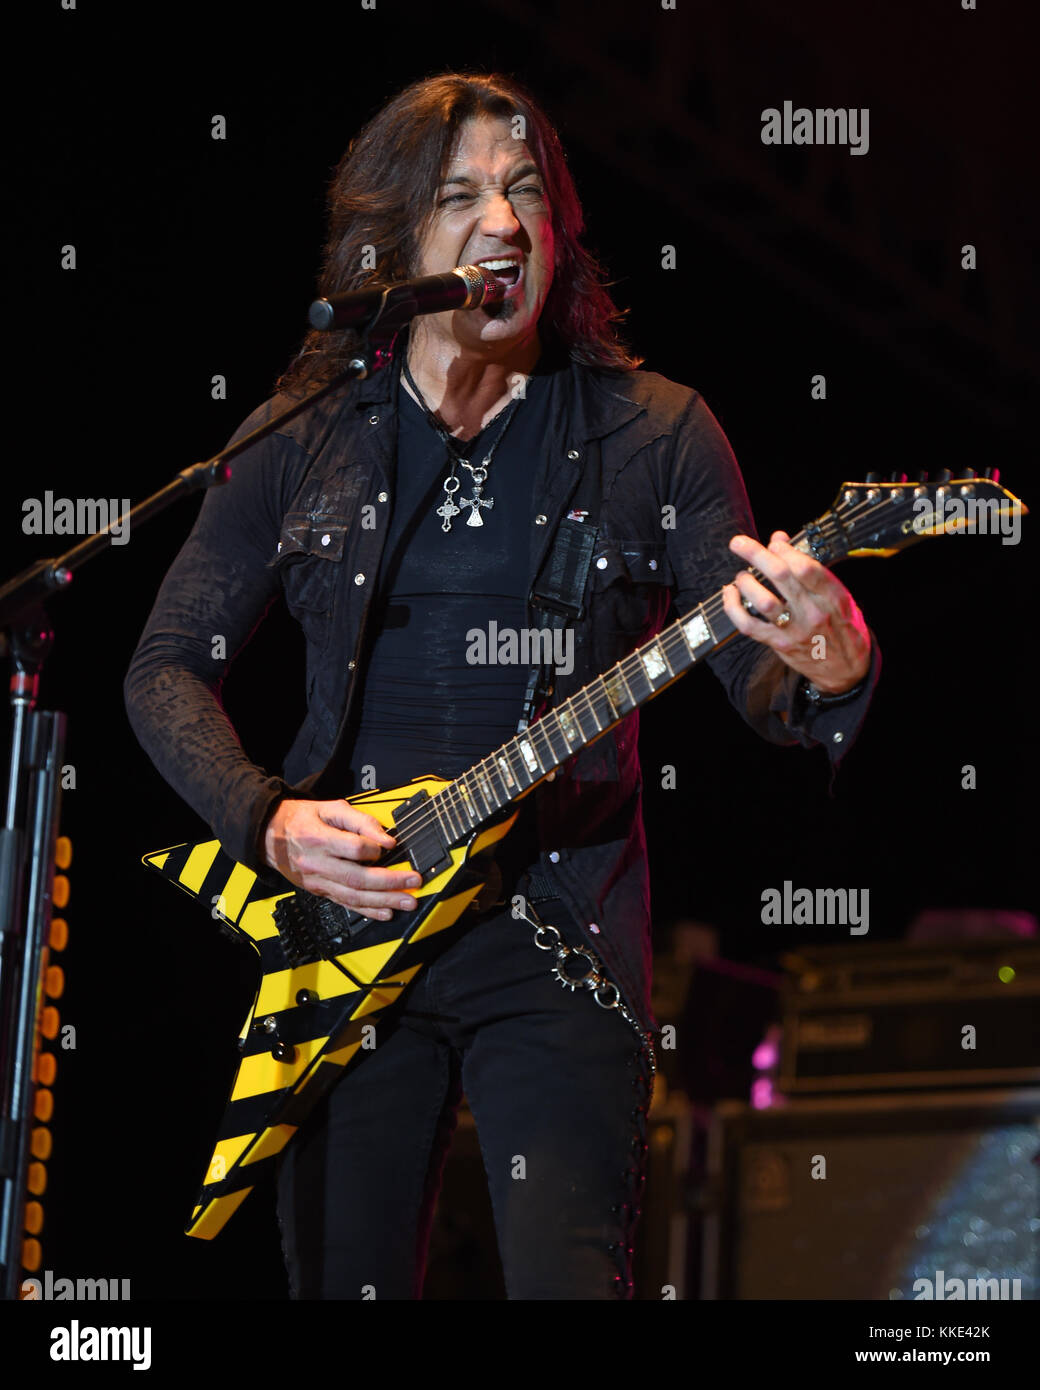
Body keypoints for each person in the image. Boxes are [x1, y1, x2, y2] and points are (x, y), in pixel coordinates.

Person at [124, 71, 878, 1300]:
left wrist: (829, 661)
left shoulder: (656, 433)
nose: (505, 223)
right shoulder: (302, 433)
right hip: (348, 934)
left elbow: (757, 668)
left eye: (527, 192)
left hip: (559, 939)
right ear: (394, 239)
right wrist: (265, 818)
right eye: (464, 193)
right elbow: (162, 668)